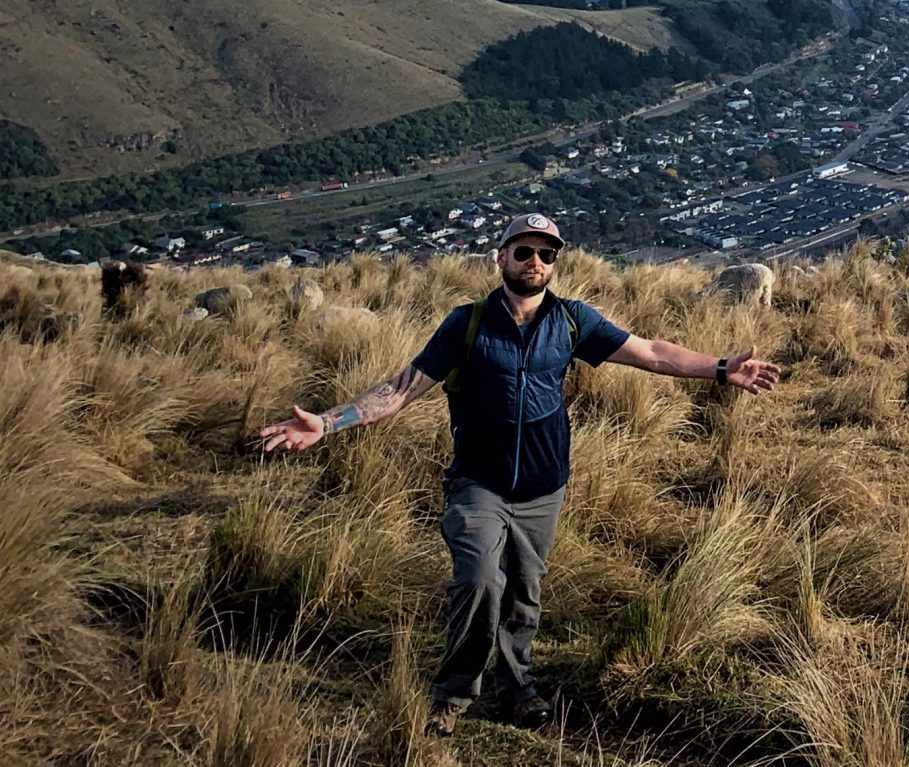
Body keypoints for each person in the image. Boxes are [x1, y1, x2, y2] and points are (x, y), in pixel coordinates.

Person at [256, 212, 780, 733]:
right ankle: (455, 693)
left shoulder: (573, 321)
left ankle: (517, 687)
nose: (535, 262)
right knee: (480, 581)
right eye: (524, 251)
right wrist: (328, 423)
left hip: (543, 486)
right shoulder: (467, 324)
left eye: (546, 254)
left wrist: (719, 368)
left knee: (524, 591)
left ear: (555, 264)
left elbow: (651, 353)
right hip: (478, 483)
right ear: (500, 257)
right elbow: (401, 387)